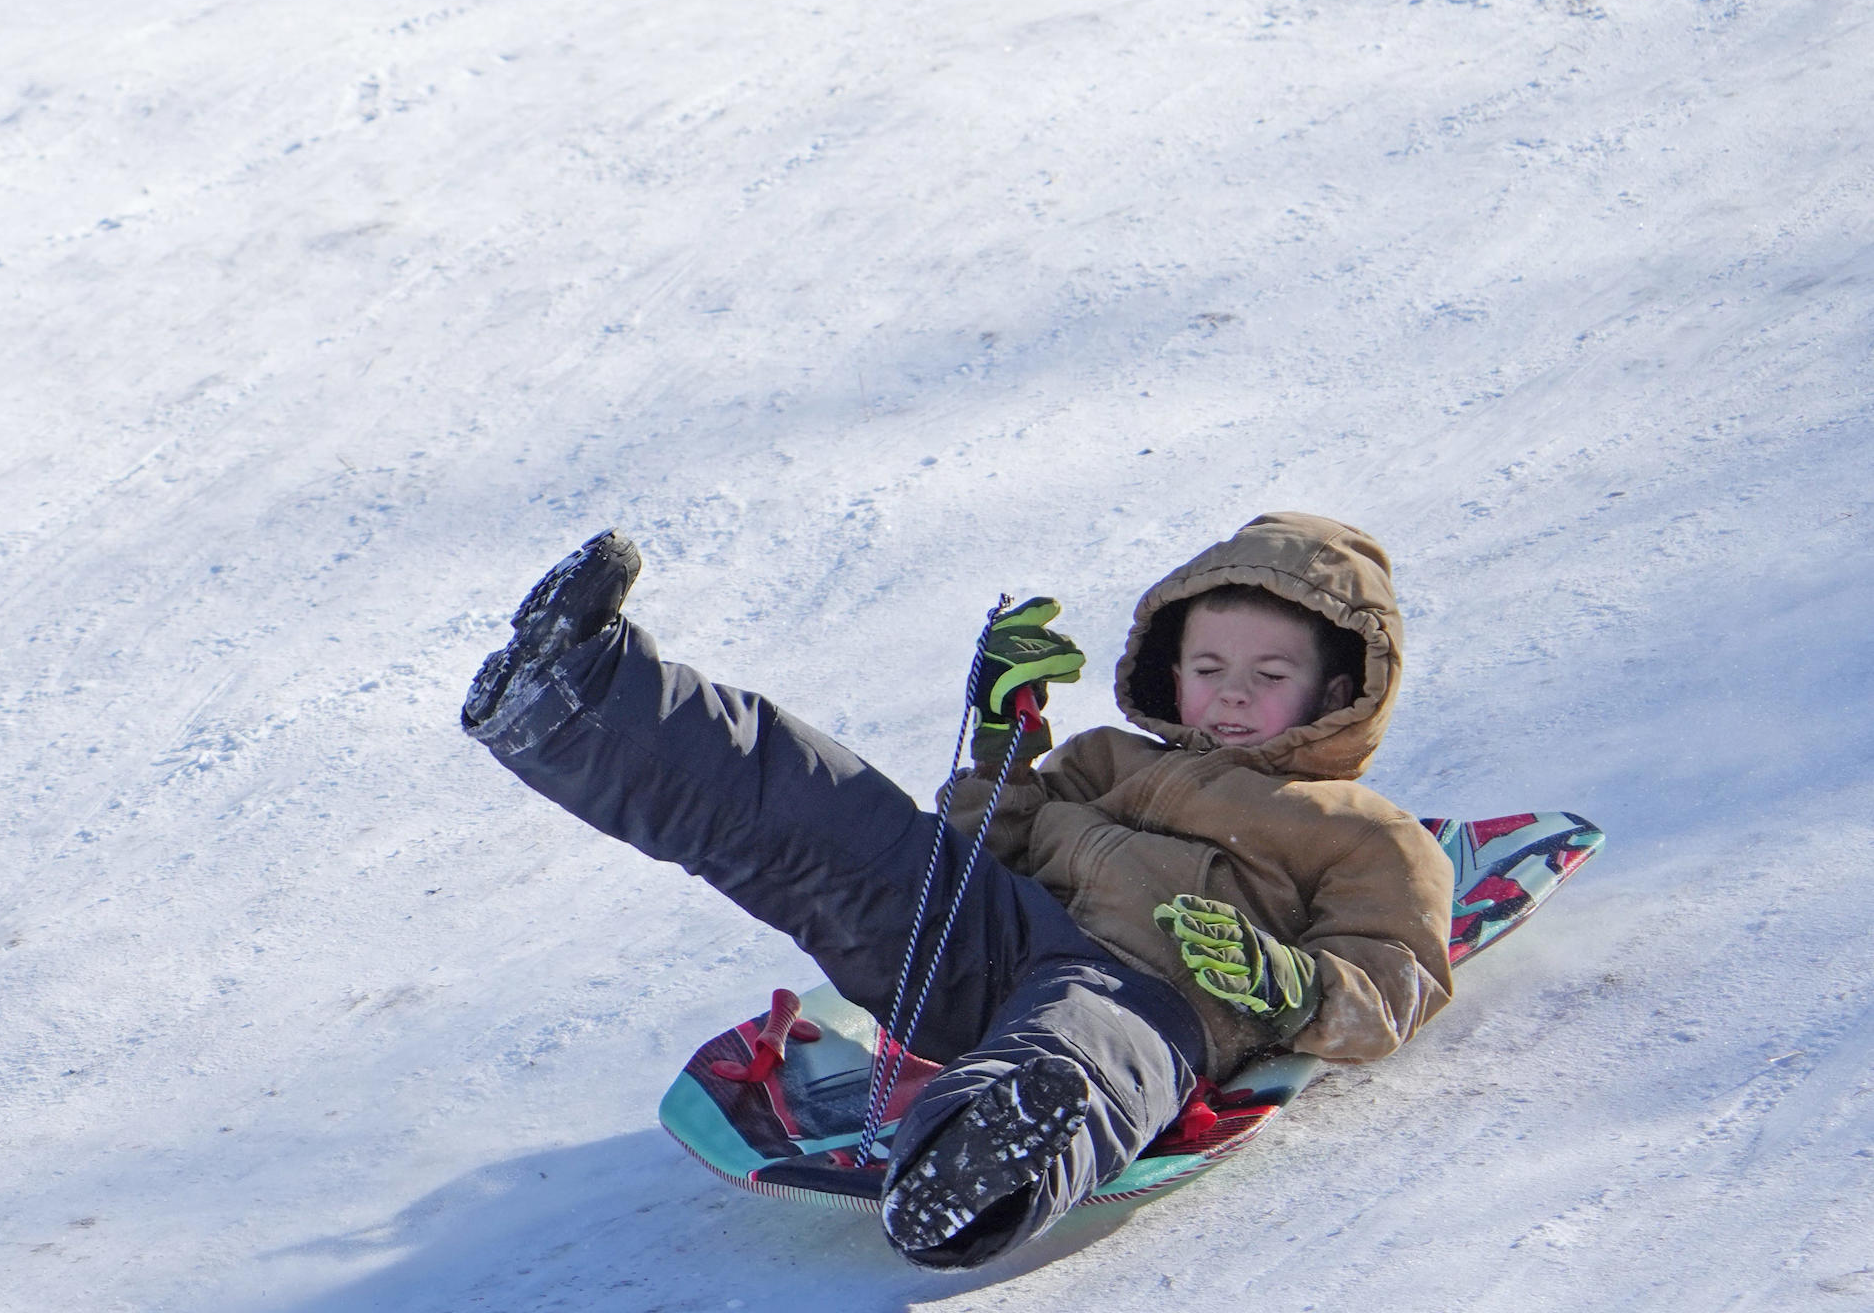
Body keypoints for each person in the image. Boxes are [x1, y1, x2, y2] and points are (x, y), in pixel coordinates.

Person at [454, 513, 1454, 1265]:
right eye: (1208, 665)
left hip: (1151, 994)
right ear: (1169, 670)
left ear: (1337, 693)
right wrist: (1000, 738)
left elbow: (1397, 978)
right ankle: (576, 698)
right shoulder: (1106, 759)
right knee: (828, 820)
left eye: (1268, 672)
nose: (1231, 691)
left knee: (1081, 1051)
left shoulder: (1365, 833)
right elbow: (985, 846)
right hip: (993, 941)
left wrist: (1287, 984)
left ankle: (976, 1166)